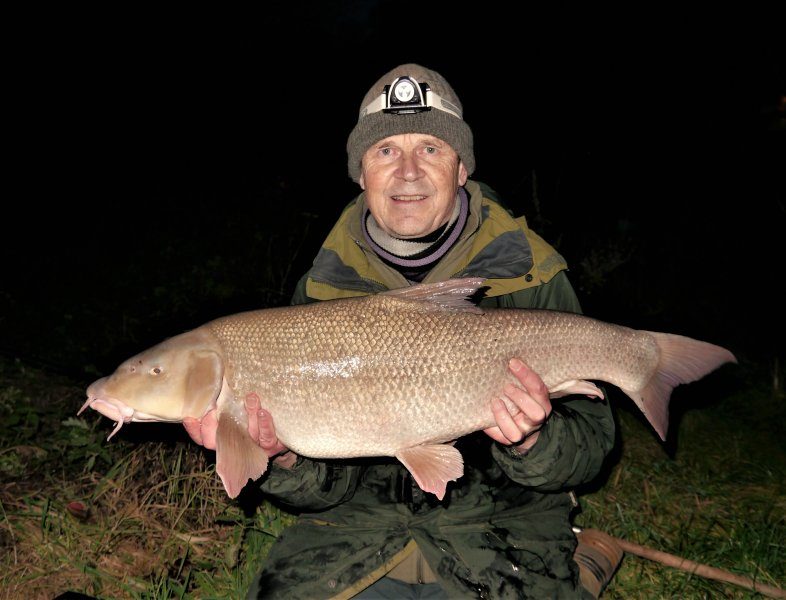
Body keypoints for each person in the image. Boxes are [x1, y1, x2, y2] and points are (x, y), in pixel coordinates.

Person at [184, 63, 617, 599]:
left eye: (431, 149)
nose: (408, 171)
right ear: (360, 172)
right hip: (359, 528)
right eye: (386, 150)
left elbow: (593, 448)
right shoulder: (320, 293)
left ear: (461, 168)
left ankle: (586, 568)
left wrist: (533, 440)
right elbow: (323, 490)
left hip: (505, 529)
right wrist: (283, 457)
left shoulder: (530, 275)